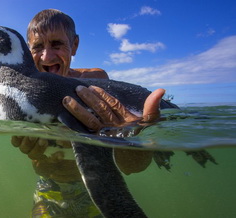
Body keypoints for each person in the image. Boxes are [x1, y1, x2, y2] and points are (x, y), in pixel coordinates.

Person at [11, 9, 164, 217]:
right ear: (29, 51)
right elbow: (38, 161)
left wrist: (127, 133)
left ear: (74, 45)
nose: (46, 56)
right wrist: (32, 150)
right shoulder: (22, 95)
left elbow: (132, 166)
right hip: (49, 188)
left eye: (57, 44)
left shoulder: (96, 82)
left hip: (91, 189)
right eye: (38, 46)